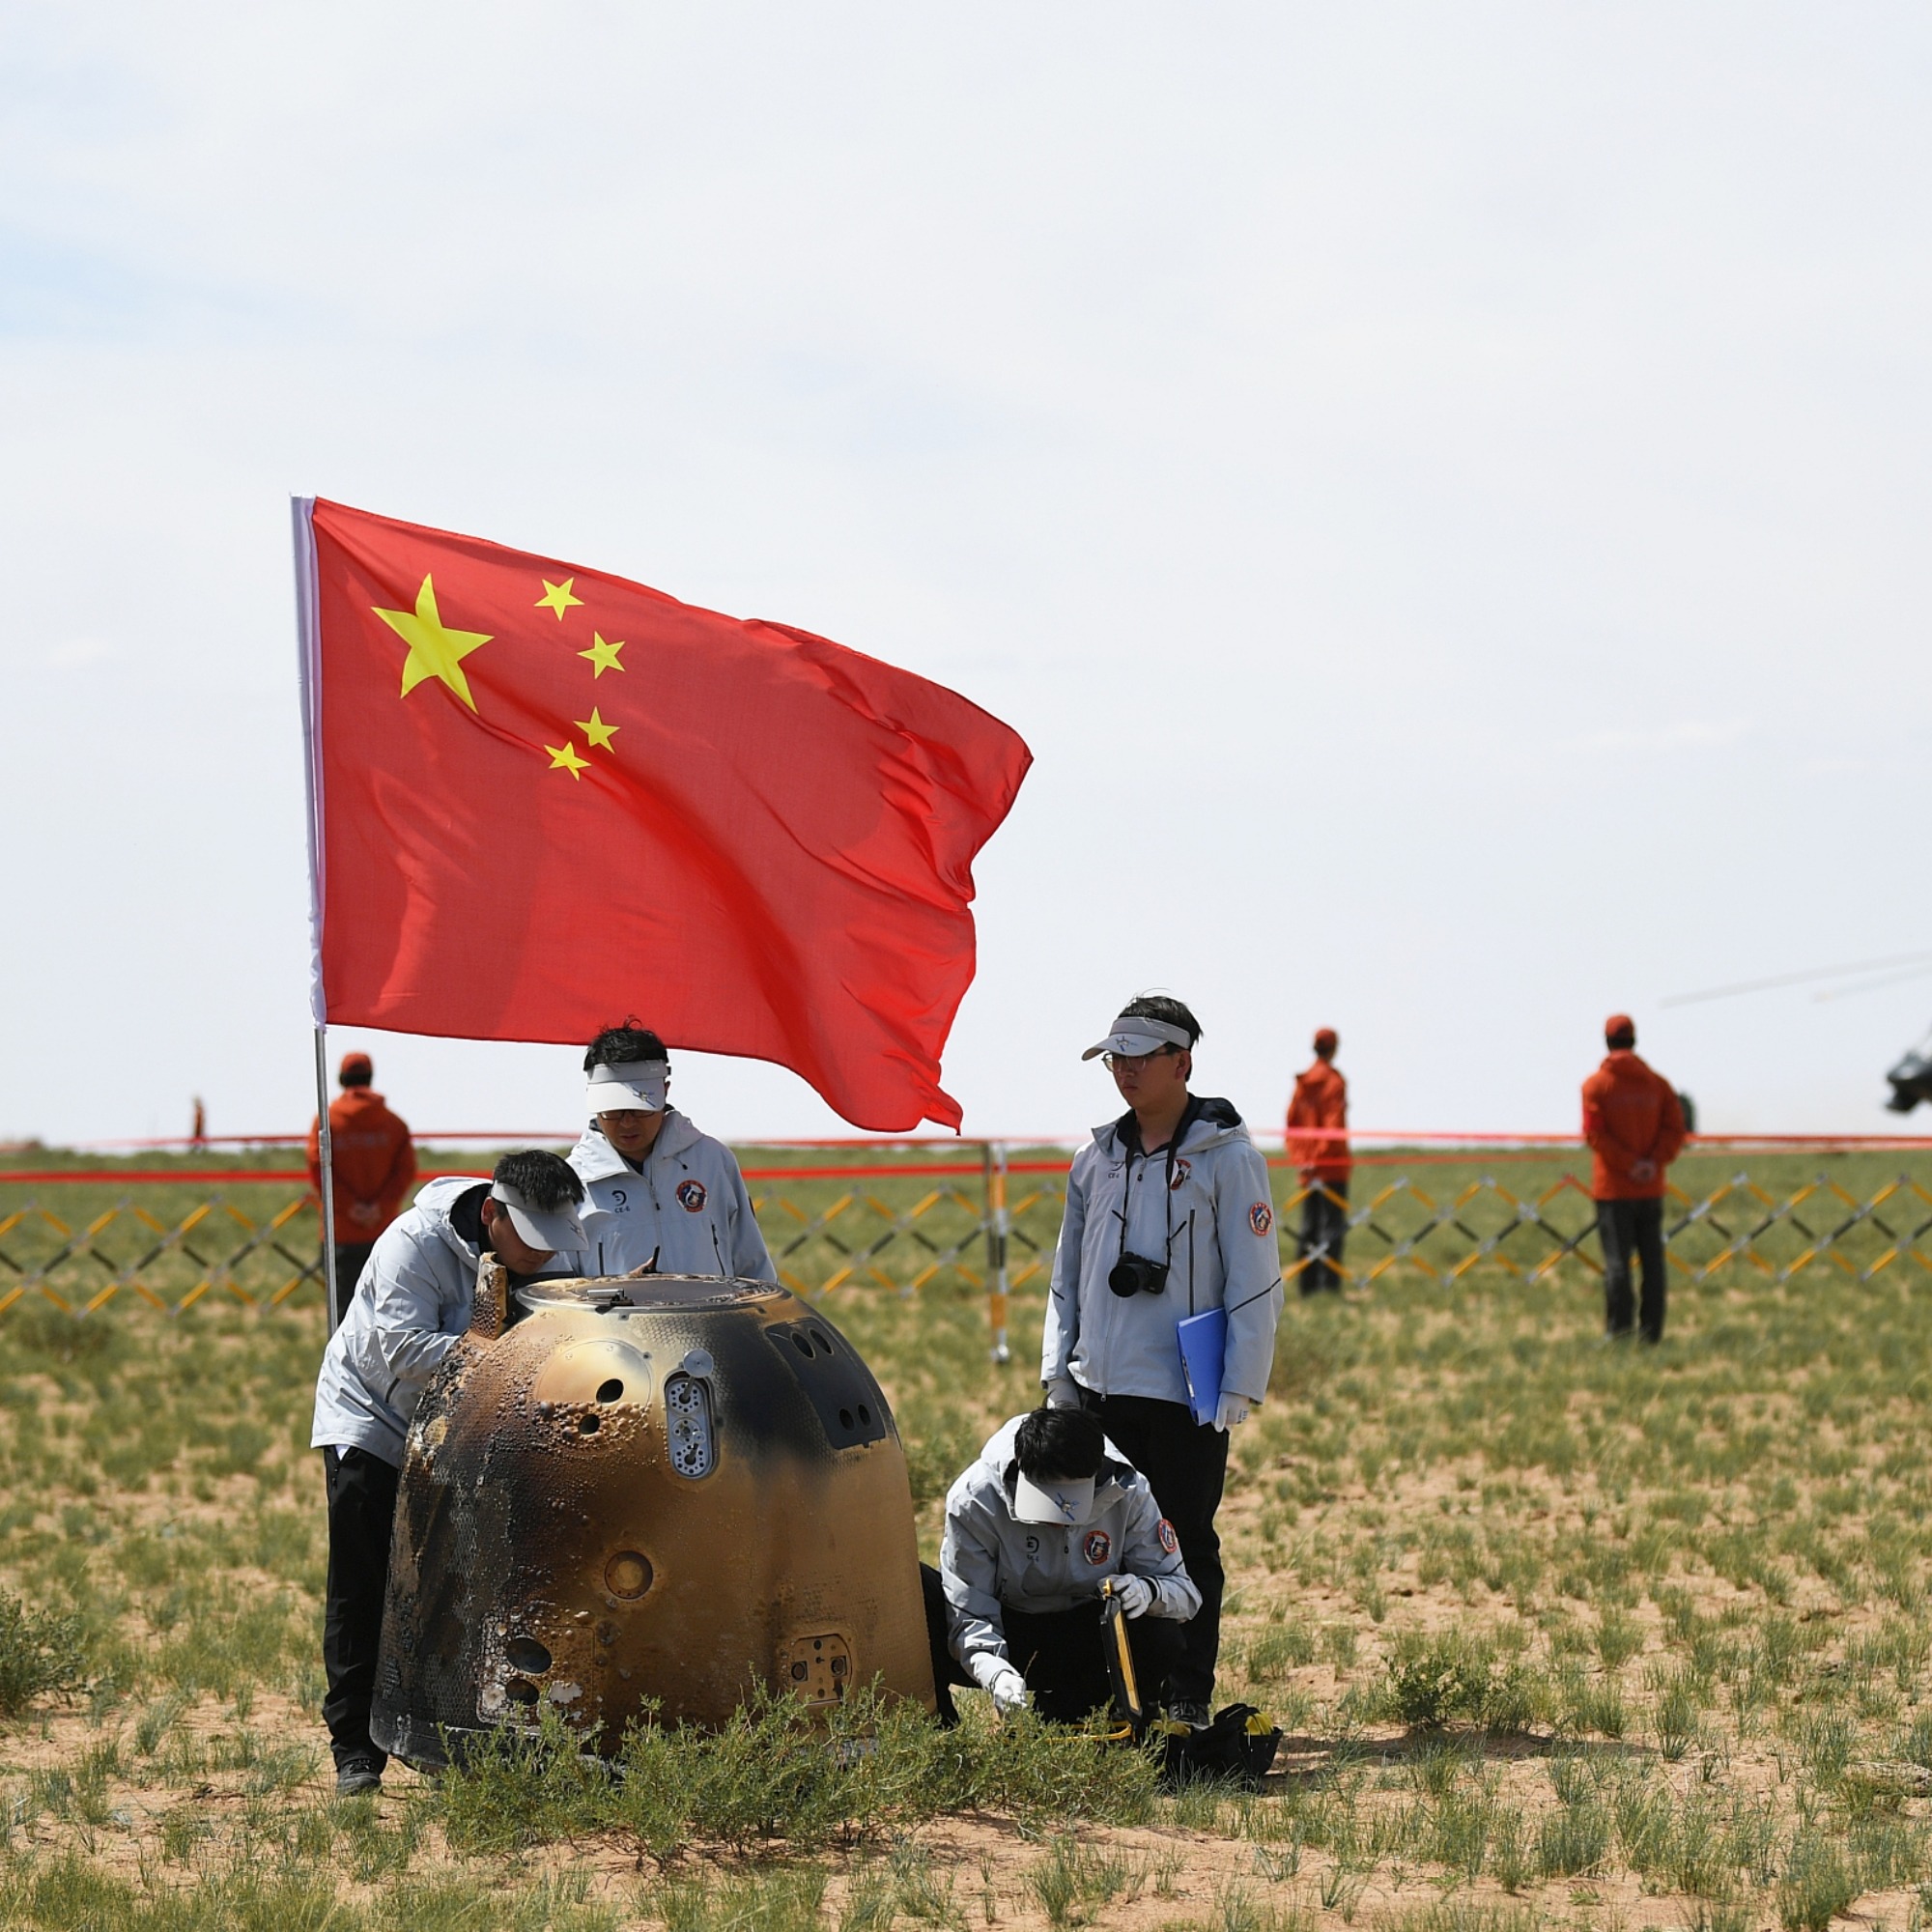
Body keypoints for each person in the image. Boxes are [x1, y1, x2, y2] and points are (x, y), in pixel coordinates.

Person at [310, 1149, 592, 1795]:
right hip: (376, 1419)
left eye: (556, 1241)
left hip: (475, 1431)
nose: (545, 1256)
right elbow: (402, 1351)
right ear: (491, 1214)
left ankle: (458, 1742)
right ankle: (356, 1749)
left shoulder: (557, 1255)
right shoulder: (413, 1243)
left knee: (475, 1584)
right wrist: (506, 1350)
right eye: (532, 1240)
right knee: (366, 1583)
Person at [1039, 995, 1283, 1728]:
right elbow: (1066, 1274)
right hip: (1100, 1389)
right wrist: (1059, 1372)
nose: (1126, 1071)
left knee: (1182, 1541)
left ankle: (1185, 1694)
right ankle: (1107, 1694)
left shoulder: (1230, 1159)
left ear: (1183, 1062)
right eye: (1117, 1057)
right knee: (1093, 1546)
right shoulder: (1095, 1159)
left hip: (1185, 1392)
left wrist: (1241, 1380)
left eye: (1142, 1057)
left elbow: (1256, 1279)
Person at [930, 1406, 1199, 1724]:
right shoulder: (974, 1500)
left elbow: (1186, 1596)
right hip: (1010, 1629)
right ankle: (938, 1727)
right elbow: (969, 1611)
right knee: (914, 1595)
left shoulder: (1129, 1492)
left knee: (1159, 1631)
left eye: (1074, 1502)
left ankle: (1080, 1713)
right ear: (1021, 1470)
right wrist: (996, 1673)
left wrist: (1147, 1591)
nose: (1059, 1521)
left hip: (1089, 1640)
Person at [565, 1023, 776, 1282]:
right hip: (615, 1324)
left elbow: (751, 1261)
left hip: (712, 1321)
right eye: (614, 1110)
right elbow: (561, 1289)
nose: (627, 1122)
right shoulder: (572, 1181)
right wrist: (620, 1288)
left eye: (640, 1108)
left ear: (665, 1091)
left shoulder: (713, 1160)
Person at [1582, 1014, 1687, 1344]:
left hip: (1613, 1190)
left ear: (1606, 1041)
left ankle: (1619, 1332)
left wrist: (1628, 1165)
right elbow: (1675, 1131)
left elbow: (1595, 1135)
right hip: (1650, 1188)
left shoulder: (1595, 1086)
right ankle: (1652, 1333)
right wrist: (1651, 1164)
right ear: (1634, 1040)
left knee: (1617, 1265)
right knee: (1653, 1263)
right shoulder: (1658, 1085)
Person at [306, 1052, 418, 1318]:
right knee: (386, 1311)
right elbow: (405, 1171)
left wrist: (349, 1207)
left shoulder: (326, 1122)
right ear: (370, 1077)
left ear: (341, 1078)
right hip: (384, 1231)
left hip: (340, 1232)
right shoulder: (394, 1124)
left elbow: (318, 1167)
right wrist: (380, 1207)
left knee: (344, 1313)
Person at [1286, 1028, 1350, 1294]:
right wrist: (1320, 1158)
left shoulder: (1303, 1083)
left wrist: (1303, 1159)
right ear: (1334, 1048)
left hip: (1307, 1170)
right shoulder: (1335, 1082)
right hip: (1332, 1168)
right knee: (1332, 1228)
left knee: (1309, 1226)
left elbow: (1291, 1125)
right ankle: (1329, 1287)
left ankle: (1306, 1286)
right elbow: (1333, 1127)